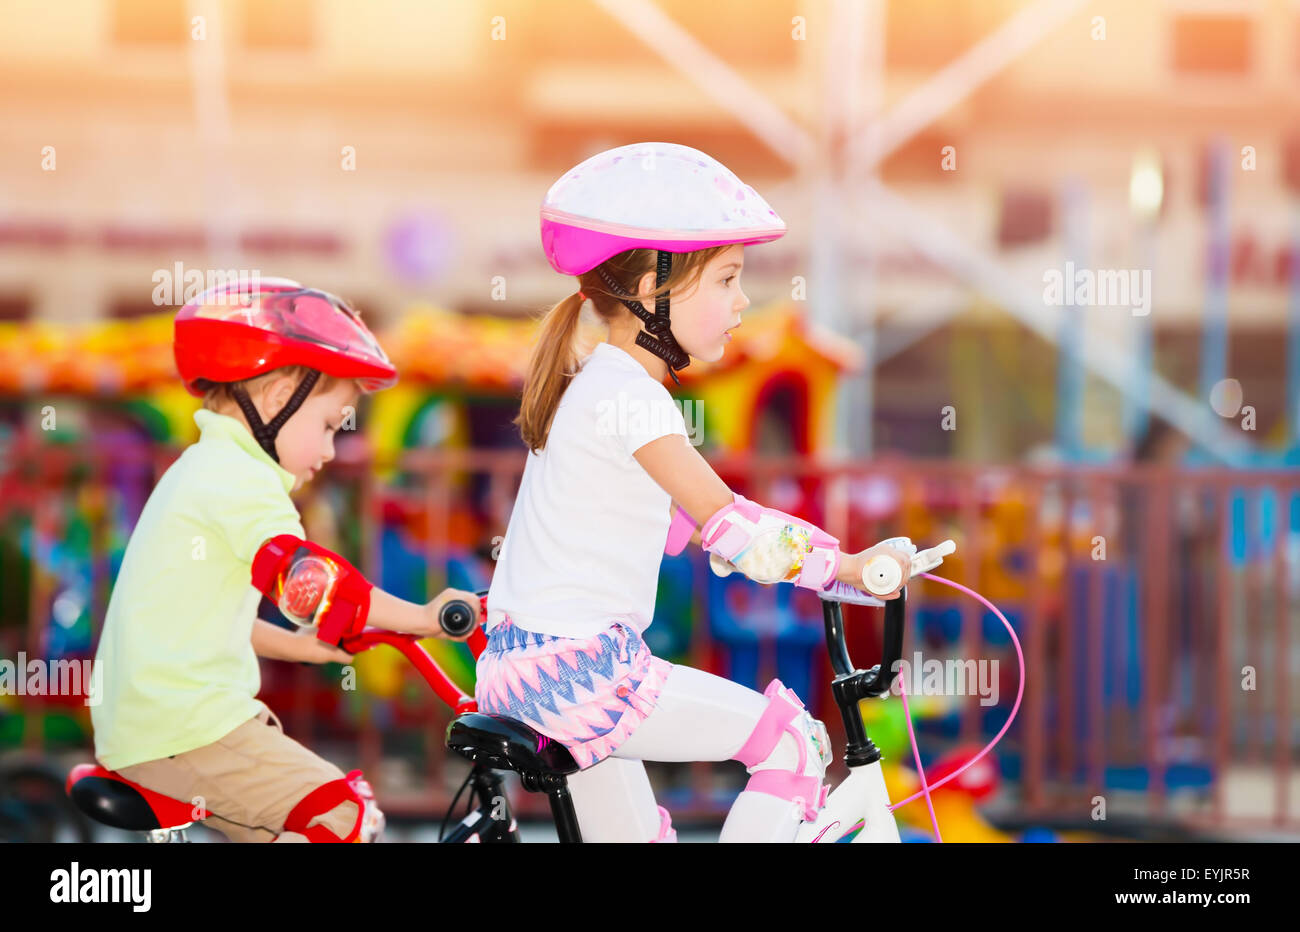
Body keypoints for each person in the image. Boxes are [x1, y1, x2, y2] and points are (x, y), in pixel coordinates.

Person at [477, 142, 912, 842]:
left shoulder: (595, 386)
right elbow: (731, 526)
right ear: (653, 288)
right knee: (793, 745)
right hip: (585, 676)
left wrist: (831, 556)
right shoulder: (635, 399)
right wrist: (849, 571)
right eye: (728, 279)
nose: (743, 301)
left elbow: (693, 519)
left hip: (528, 671)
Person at [90, 277, 479, 842]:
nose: (329, 450)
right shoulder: (239, 479)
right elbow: (313, 585)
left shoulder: (202, 468)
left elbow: (200, 618)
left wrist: (298, 645)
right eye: (328, 426)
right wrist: (424, 617)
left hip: (159, 728)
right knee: (345, 817)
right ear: (276, 401)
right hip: (188, 730)